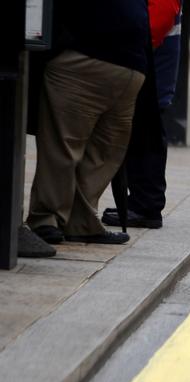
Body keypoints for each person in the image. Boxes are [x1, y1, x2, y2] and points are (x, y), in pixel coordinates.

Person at [26, 0, 151, 247]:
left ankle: (81, 221)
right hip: (84, 57)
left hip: (129, 64)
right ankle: (47, 220)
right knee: (63, 147)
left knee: (105, 152)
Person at [102, 0, 182, 230]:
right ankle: (141, 202)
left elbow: (161, 15)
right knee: (144, 133)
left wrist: (134, 47)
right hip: (153, 59)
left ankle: (145, 206)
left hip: (152, 62)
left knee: (145, 135)